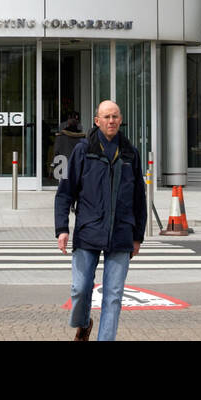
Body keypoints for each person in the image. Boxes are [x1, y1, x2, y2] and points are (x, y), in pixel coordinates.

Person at [54, 100, 146, 342]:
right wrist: (62, 228)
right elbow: (65, 191)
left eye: (115, 116)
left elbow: (139, 198)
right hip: (88, 230)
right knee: (80, 289)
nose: (111, 121)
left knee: (113, 295)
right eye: (106, 116)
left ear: (120, 119)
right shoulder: (83, 151)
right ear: (97, 121)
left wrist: (138, 236)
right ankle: (83, 324)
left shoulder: (130, 153)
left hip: (121, 233)